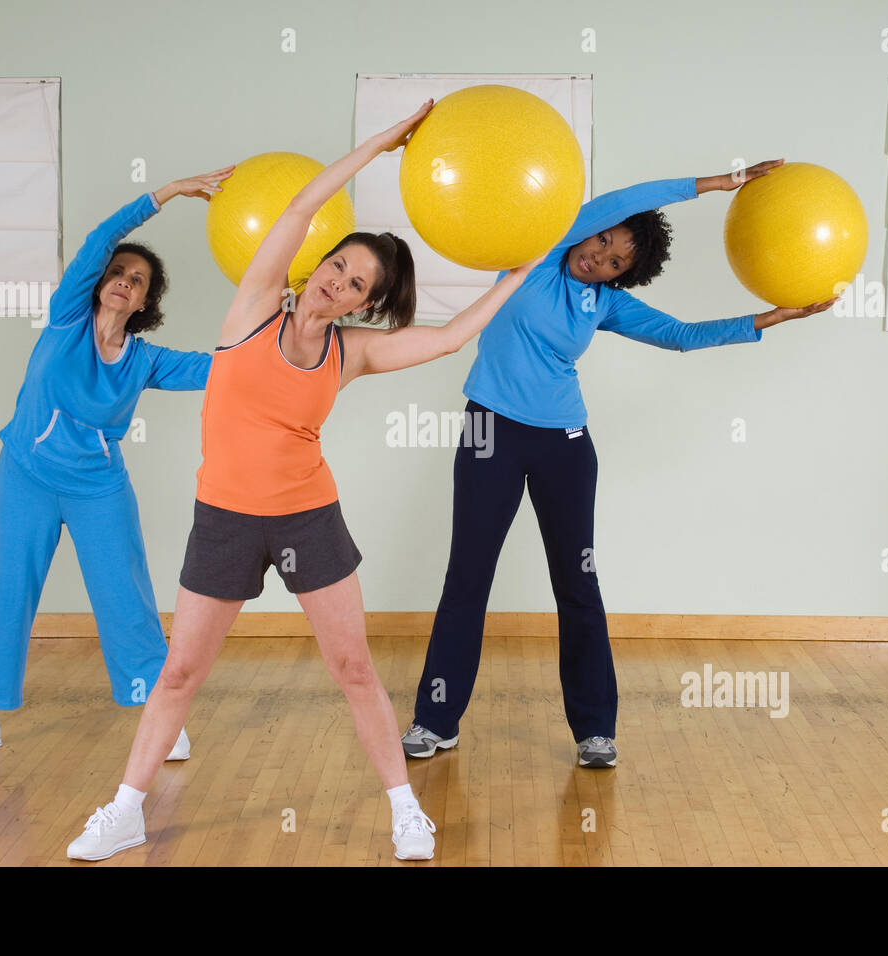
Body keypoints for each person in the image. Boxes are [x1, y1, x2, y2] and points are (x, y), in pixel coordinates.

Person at [65, 100, 544, 863]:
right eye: (336, 266)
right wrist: (382, 146)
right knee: (181, 669)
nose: (337, 283)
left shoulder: (351, 354)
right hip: (223, 516)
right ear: (317, 263)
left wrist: (524, 267)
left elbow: (455, 335)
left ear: (365, 305)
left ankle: (404, 811)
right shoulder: (254, 304)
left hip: (305, 518)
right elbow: (301, 204)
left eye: (356, 285)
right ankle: (124, 810)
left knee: (353, 667)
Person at [402, 159, 838, 769]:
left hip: (565, 444)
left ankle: (595, 731)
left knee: (577, 583)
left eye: (615, 262)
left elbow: (683, 336)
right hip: (489, 432)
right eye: (603, 240)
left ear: (620, 279)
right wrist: (716, 184)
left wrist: (772, 319)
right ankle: (434, 720)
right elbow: (623, 199)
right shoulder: (537, 255)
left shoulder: (601, 305)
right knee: (468, 576)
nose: (599, 257)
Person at [0, 170, 234, 763]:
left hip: (98, 488)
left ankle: (159, 717)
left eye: (138, 280)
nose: (124, 282)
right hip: (26, 474)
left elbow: (217, 370)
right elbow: (100, 238)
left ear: (146, 302)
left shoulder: (144, 360)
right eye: (118, 273)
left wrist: (286, 331)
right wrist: (165, 193)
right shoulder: (66, 318)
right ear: (99, 284)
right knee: (11, 589)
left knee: (127, 597)